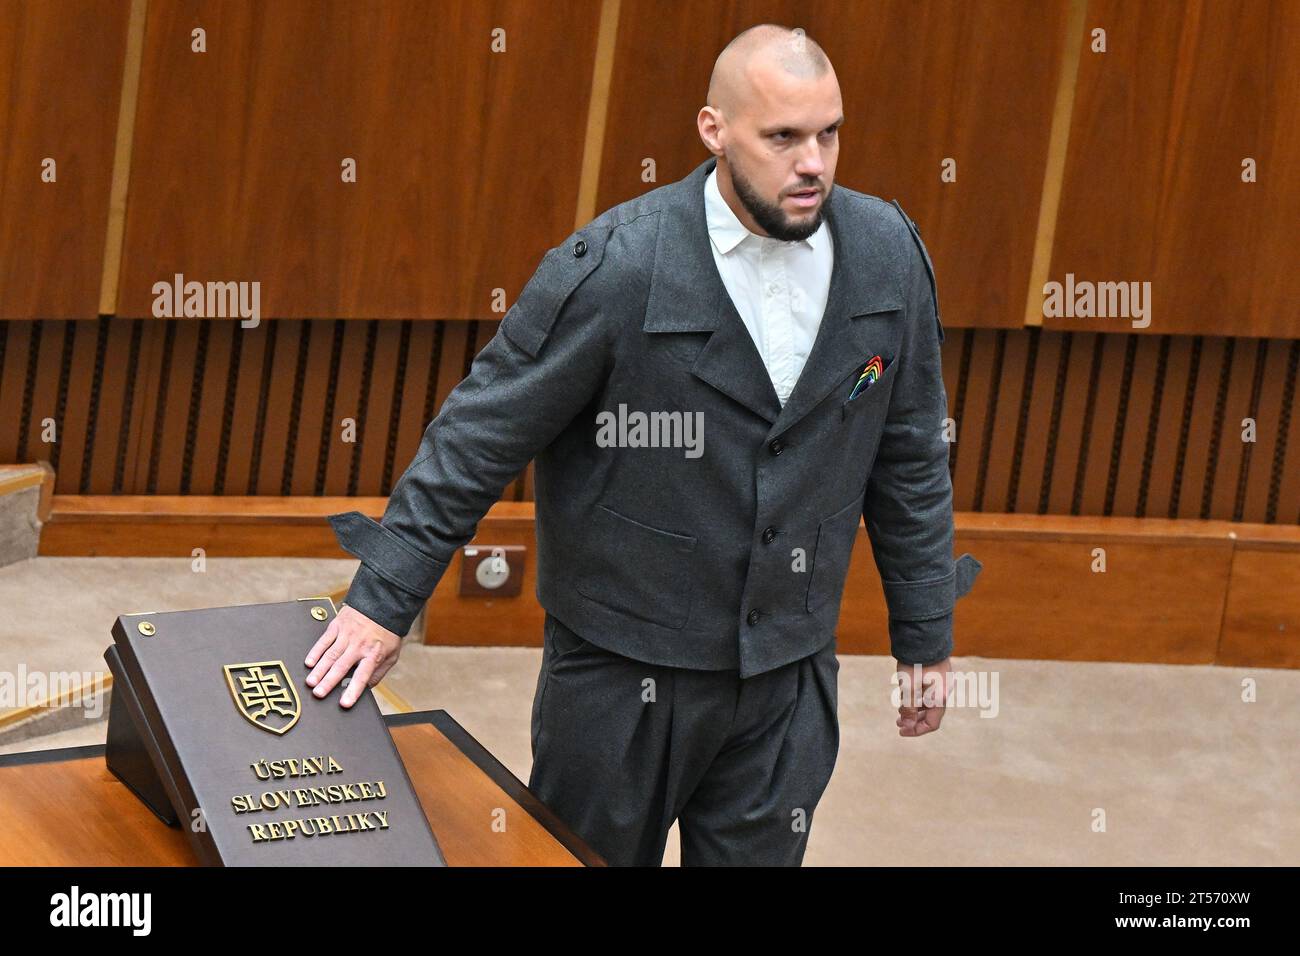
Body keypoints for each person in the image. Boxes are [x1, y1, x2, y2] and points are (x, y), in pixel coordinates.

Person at [307, 23, 981, 866]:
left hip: (787, 675)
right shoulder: (617, 268)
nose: (814, 163)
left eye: (828, 133)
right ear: (714, 130)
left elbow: (911, 457)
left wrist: (925, 633)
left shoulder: (888, 256)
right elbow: (480, 431)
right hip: (621, 679)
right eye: (782, 137)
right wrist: (383, 598)